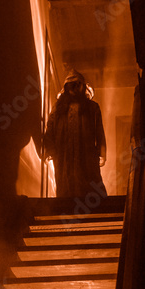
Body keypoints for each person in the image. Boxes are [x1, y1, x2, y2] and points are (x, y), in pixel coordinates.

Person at [43, 70, 106, 200]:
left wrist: (102, 152)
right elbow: (49, 131)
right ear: (66, 88)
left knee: (90, 184)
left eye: (77, 84)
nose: (74, 88)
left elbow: (99, 131)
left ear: (82, 86)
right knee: (65, 185)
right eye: (71, 85)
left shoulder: (92, 108)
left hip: (87, 154)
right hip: (63, 156)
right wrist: (51, 151)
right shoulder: (58, 109)